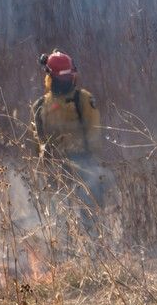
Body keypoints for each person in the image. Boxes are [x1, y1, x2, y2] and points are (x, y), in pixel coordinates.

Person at [32, 49, 106, 216]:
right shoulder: (40, 106)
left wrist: (94, 166)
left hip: (84, 166)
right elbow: (38, 144)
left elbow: (94, 134)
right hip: (56, 170)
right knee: (59, 217)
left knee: (89, 215)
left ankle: (91, 239)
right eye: (62, 77)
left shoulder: (83, 99)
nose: (65, 81)